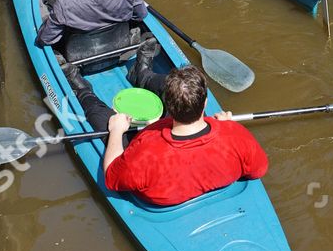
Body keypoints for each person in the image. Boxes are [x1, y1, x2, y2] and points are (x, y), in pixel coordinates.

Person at [103, 65, 268, 206]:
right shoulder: (235, 133)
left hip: (159, 202)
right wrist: (227, 126)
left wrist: (117, 130)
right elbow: (258, 171)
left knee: (106, 121)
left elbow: (111, 178)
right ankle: (141, 73)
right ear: (205, 102)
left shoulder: (146, 148)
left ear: (167, 105)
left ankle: (84, 92)